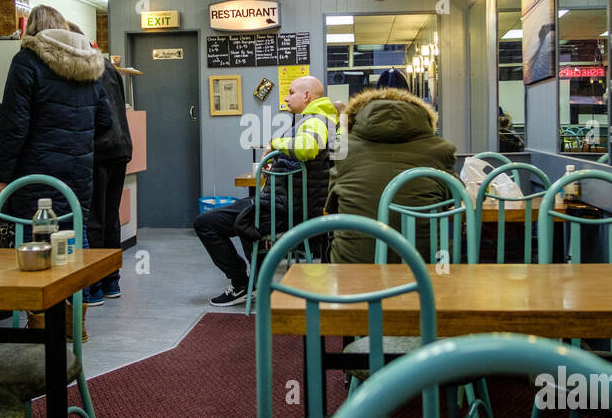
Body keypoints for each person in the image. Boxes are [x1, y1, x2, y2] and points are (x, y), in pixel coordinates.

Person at [193, 75, 337, 306]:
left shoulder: (316, 120)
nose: (287, 98)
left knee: (206, 223)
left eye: (291, 92)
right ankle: (254, 280)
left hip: (284, 208)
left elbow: (307, 149)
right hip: (288, 204)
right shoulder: (320, 119)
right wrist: (280, 158)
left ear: (306, 95)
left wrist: (274, 145)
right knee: (244, 218)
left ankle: (243, 284)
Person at [0, 5, 109, 252]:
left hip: (35, 175)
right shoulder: (91, 65)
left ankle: (40, 291)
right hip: (79, 174)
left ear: (31, 32)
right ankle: (82, 291)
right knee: (74, 235)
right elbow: (104, 121)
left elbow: (14, 127)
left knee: (34, 242)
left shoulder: (27, 61)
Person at [324, 85, 456, 263]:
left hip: (355, 264)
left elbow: (331, 206)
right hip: (425, 266)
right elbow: (454, 197)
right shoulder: (440, 149)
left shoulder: (344, 150)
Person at [86, 53, 133, 305]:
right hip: (120, 147)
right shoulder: (108, 65)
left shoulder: (82, 66)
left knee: (94, 217)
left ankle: (93, 285)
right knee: (110, 216)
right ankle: (111, 280)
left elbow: (97, 115)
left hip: (98, 150)